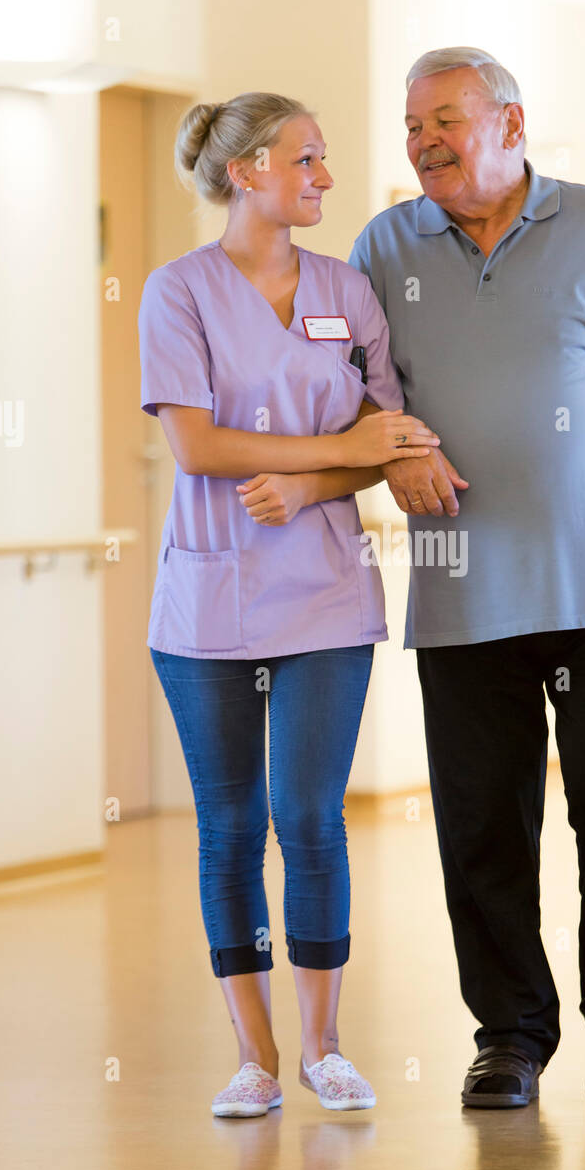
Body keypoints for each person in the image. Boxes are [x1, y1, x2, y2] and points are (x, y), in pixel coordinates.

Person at [349, 46, 585, 1107]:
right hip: (462, 594)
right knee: (479, 819)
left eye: (444, 119)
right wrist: (396, 445)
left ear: (509, 122)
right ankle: (508, 1034)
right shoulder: (385, 245)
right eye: (410, 125)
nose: (422, 141)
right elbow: (356, 396)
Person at [138, 91, 437, 1116]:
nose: (323, 177)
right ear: (246, 172)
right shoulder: (176, 294)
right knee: (228, 826)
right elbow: (198, 447)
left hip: (323, 592)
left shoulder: (346, 291)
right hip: (207, 598)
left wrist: (321, 479)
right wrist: (339, 448)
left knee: (308, 817)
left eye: (322, 159)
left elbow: (384, 433)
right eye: (306, 159)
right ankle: (255, 1061)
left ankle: (323, 1047)